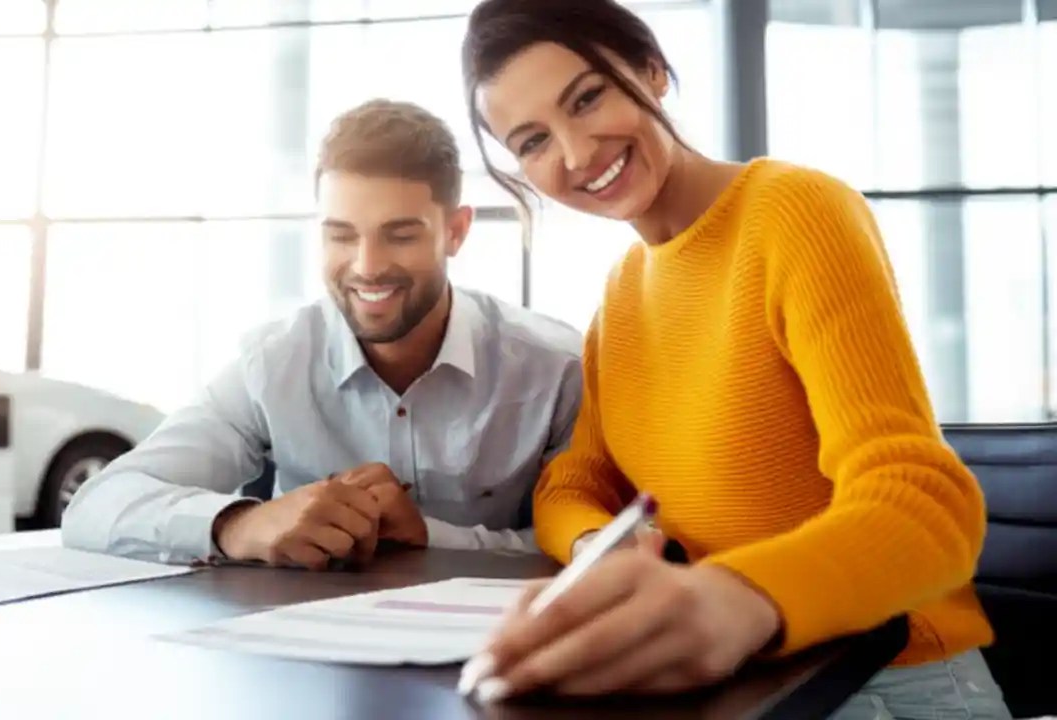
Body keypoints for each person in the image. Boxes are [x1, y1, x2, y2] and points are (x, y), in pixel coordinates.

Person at [454, 1, 1011, 718]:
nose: (575, 153)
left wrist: (738, 595)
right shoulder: (623, 293)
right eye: (532, 141)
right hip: (739, 682)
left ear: (651, 73)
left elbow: (924, 502)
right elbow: (571, 485)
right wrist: (605, 544)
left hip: (888, 678)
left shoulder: (794, 213)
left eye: (587, 97)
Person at [61, 99, 583, 569]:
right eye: (340, 235)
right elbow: (97, 506)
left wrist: (433, 537)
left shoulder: (554, 368)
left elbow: (604, 541)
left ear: (456, 231)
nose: (367, 266)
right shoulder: (273, 362)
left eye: (400, 235)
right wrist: (239, 525)